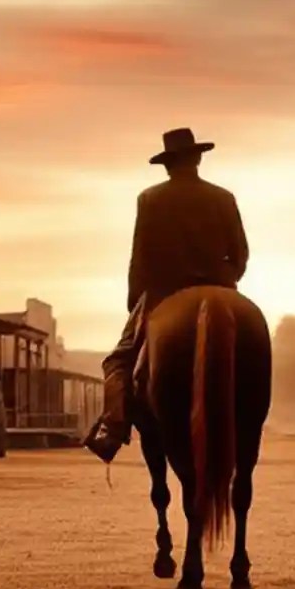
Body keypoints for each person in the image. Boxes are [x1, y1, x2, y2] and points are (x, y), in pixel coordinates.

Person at [83, 127, 250, 464]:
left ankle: (113, 428)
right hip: (219, 289)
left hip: (163, 294)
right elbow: (241, 254)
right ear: (198, 158)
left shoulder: (150, 199)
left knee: (117, 361)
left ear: (167, 165)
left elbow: (139, 257)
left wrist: (136, 305)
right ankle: (251, 416)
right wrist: (225, 285)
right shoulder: (224, 197)